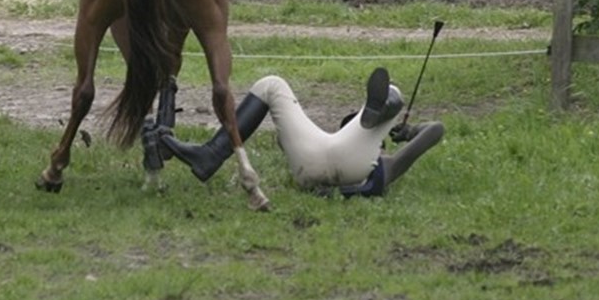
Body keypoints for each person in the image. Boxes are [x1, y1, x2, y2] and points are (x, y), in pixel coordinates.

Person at [157, 67, 444, 198]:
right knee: (392, 94)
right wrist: (409, 132)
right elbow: (436, 130)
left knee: (272, 85)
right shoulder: (386, 166)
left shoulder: (339, 144)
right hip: (353, 171)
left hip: (308, 167)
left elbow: (285, 140)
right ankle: (388, 101)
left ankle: (212, 153)